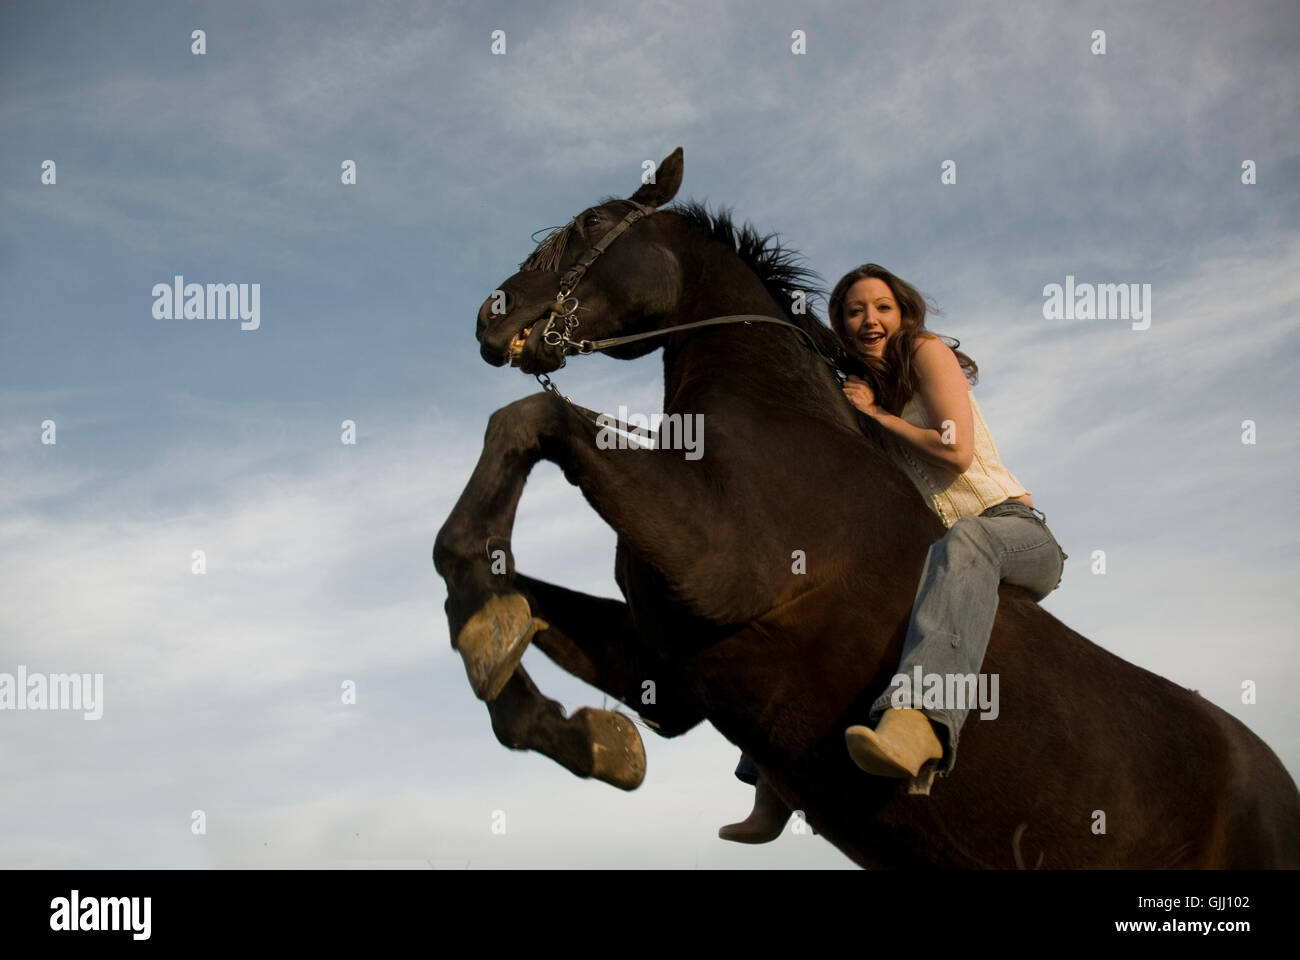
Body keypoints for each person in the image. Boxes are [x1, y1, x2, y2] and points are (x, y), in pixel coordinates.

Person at [719, 264, 1068, 844]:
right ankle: (775, 781)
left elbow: (956, 452)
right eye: (854, 311)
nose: (869, 320)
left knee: (968, 536)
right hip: (944, 558)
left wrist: (878, 417)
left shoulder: (927, 353)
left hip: (1014, 532)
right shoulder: (859, 394)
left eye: (881, 307)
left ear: (903, 313)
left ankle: (921, 723)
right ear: (841, 324)